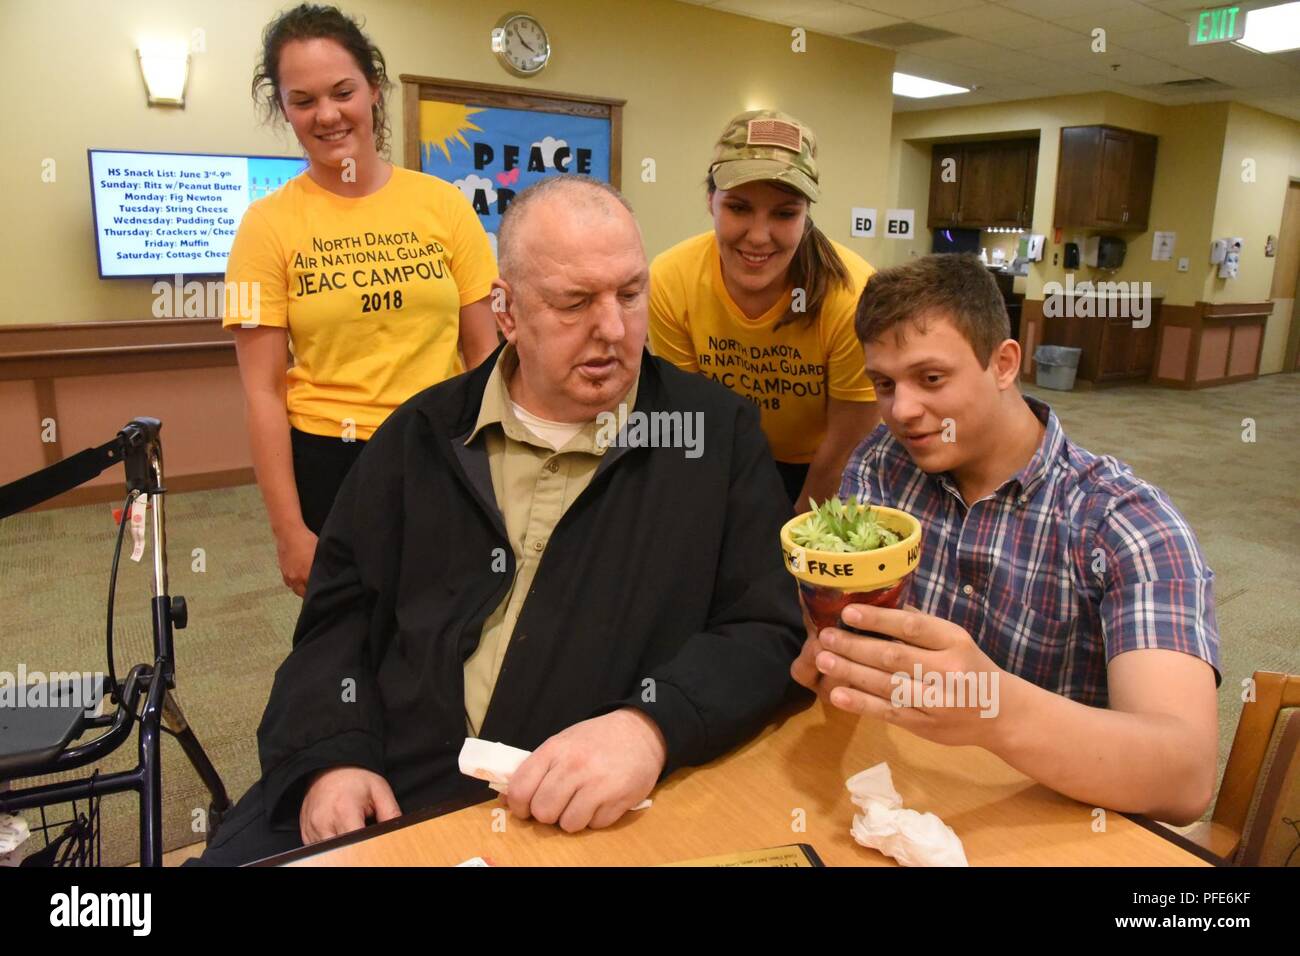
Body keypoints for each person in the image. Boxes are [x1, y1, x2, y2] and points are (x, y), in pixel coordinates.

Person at [192, 176, 804, 865]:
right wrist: (331, 758)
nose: (613, 329)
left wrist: (650, 727)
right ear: (506, 312)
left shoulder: (712, 437)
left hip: (579, 810)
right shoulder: (418, 435)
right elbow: (337, 624)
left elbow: (764, 629)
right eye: (575, 303)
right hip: (395, 786)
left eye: (630, 294)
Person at [791, 253, 1221, 826]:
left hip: (1055, 822)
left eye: (931, 378)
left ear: (1003, 363)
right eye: (884, 383)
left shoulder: (1128, 525)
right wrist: (833, 650)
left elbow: (1185, 776)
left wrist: (992, 708)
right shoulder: (880, 466)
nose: (903, 410)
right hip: (898, 793)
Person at [223, 4, 500, 596]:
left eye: (342, 91)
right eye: (303, 100)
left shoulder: (446, 206)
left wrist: (498, 475)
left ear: (374, 89)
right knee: (350, 642)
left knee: (451, 626)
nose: (327, 114)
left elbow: (485, 358)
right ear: (284, 110)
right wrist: (288, 531)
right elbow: (261, 392)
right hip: (331, 461)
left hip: (442, 448)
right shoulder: (262, 227)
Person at [649, 109, 879, 508]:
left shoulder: (852, 295)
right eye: (738, 208)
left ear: (806, 214)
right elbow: (690, 419)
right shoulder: (671, 278)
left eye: (785, 213)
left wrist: (789, 540)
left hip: (822, 467)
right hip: (725, 455)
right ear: (711, 201)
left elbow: (844, 447)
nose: (758, 237)